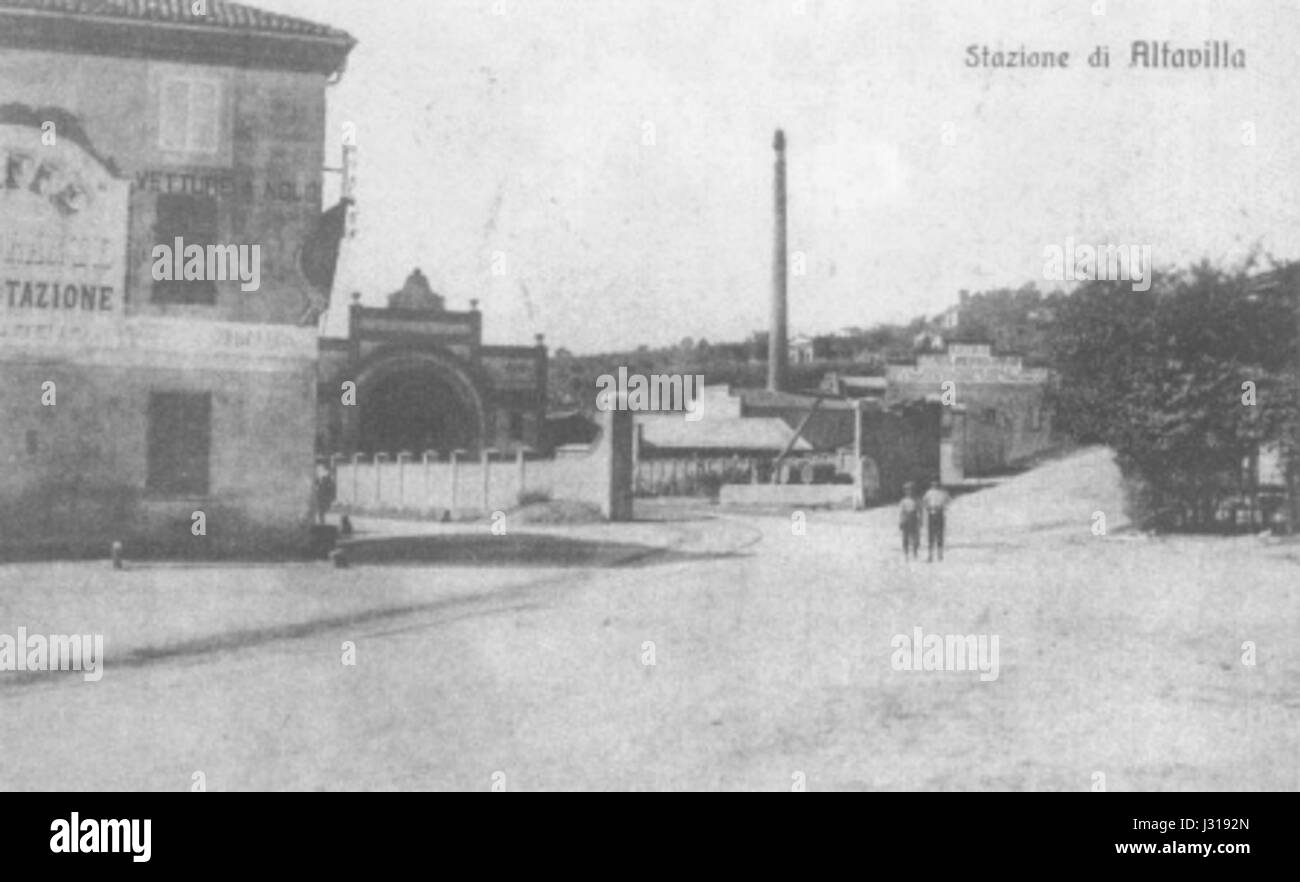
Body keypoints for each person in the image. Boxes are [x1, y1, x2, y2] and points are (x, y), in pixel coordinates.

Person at [922, 478, 951, 562]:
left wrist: (943, 507)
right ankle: (930, 555)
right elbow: (924, 501)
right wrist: (928, 507)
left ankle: (940, 554)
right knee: (931, 534)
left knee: (939, 534)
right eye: (933, 483)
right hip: (931, 512)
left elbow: (948, 501)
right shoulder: (928, 493)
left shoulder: (942, 493)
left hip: (939, 513)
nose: (934, 485)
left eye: (936, 483)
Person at [898, 482, 920, 560]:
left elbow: (919, 511)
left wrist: (920, 520)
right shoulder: (903, 501)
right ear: (905, 491)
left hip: (913, 518)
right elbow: (901, 512)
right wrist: (901, 521)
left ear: (913, 491)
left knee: (915, 536)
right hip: (906, 518)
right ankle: (906, 553)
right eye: (907, 490)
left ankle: (915, 553)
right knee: (905, 537)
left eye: (911, 490)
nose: (909, 492)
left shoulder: (916, 500)